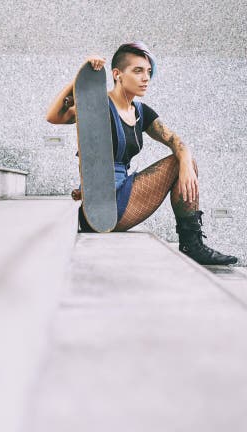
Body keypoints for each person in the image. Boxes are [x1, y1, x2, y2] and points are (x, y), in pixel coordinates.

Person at [45, 42, 238, 265]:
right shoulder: (98, 105)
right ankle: (192, 245)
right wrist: (78, 80)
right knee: (179, 163)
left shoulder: (141, 112)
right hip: (103, 204)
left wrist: (186, 161)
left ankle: (192, 243)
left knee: (185, 160)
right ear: (117, 74)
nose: (145, 77)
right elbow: (54, 116)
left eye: (148, 72)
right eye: (138, 71)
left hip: (122, 193)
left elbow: (175, 141)